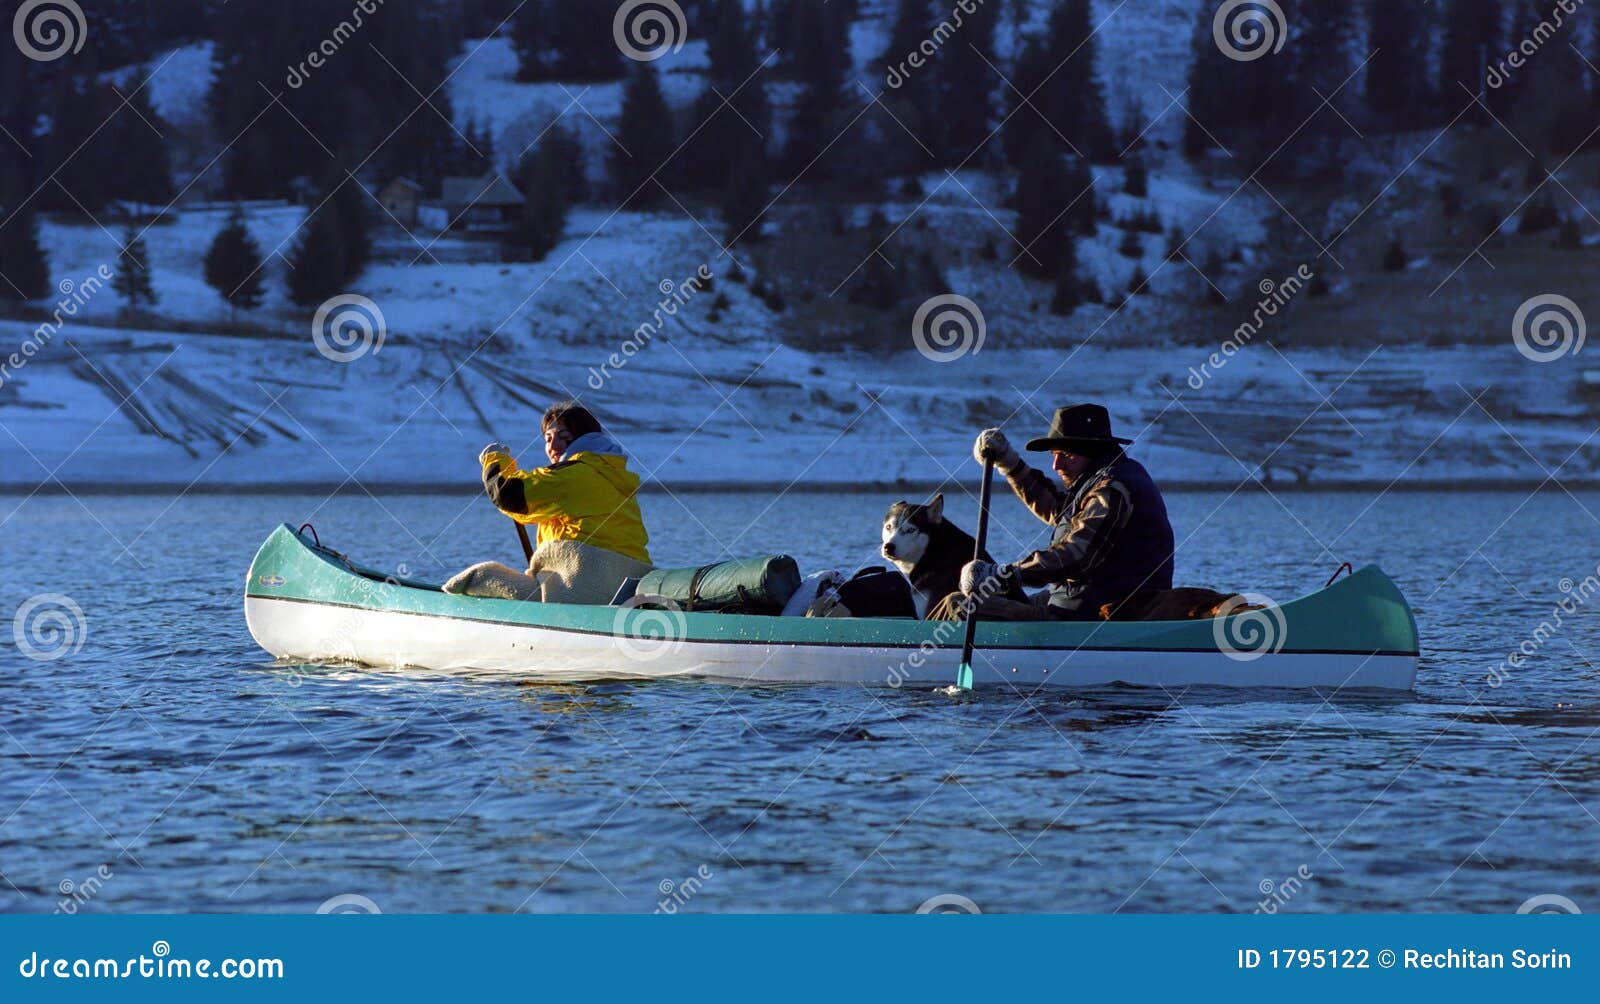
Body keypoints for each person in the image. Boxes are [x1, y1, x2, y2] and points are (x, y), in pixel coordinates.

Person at [928, 403, 1174, 622]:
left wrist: (1003, 575)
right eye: (1055, 455)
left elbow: (1077, 556)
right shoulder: (1106, 479)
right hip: (1084, 602)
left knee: (958, 605)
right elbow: (1059, 510)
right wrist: (1008, 463)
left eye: (1066, 455)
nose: (1057, 465)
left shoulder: (1110, 490)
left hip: (1096, 613)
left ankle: (921, 655)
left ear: (1094, 452)